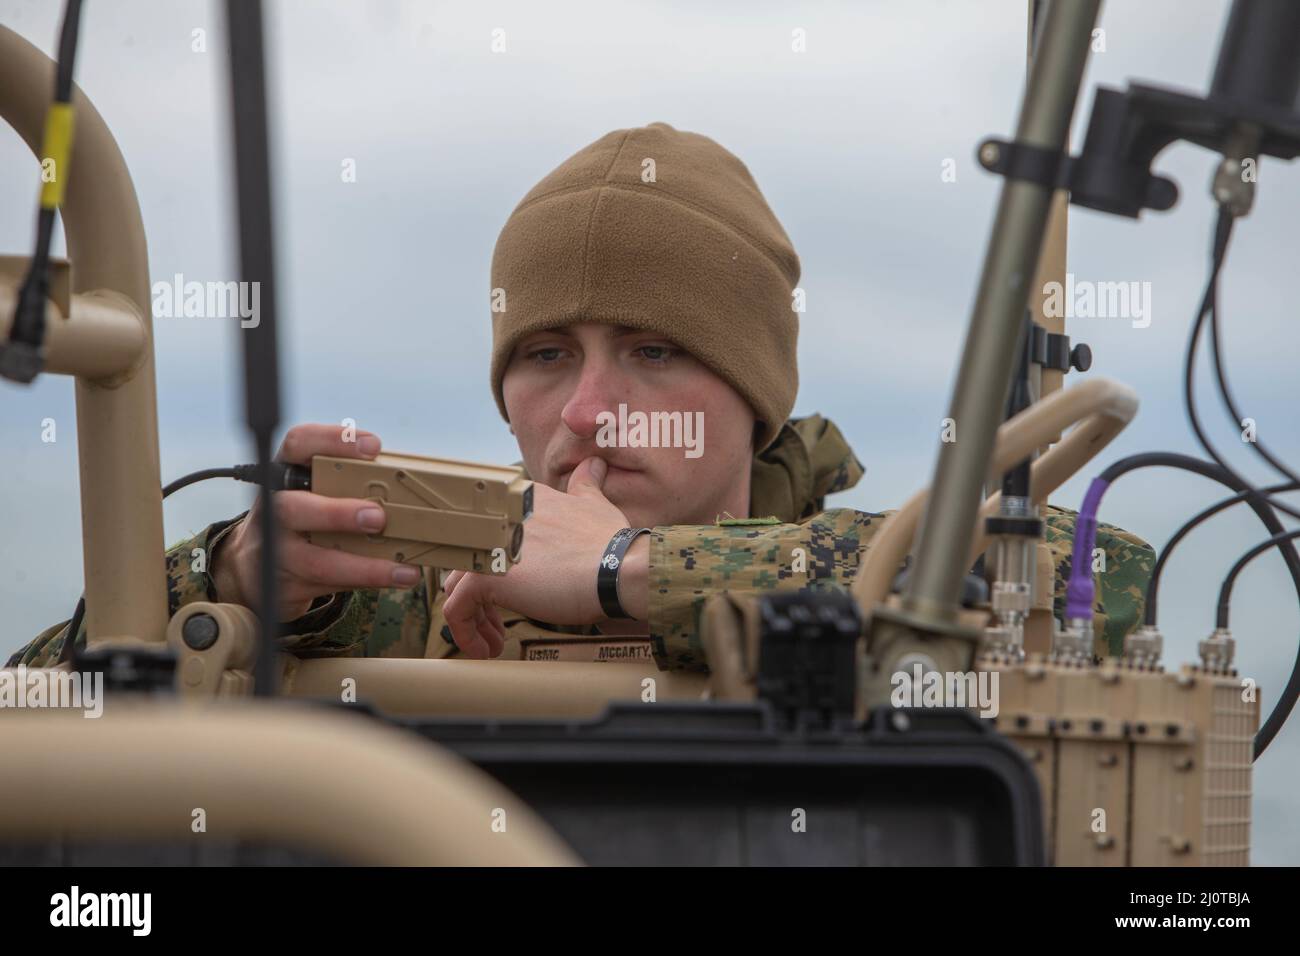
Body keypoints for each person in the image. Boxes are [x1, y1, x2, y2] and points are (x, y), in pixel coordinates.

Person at [8, 122, 1154, 671]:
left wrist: (624, 575)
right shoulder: (393, 593)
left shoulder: (867, 564)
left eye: (654, 350)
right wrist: (230, 581)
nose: (588, 411)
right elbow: (38, 712)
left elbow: (1103, 579)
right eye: (546, 353)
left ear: (757, 397)